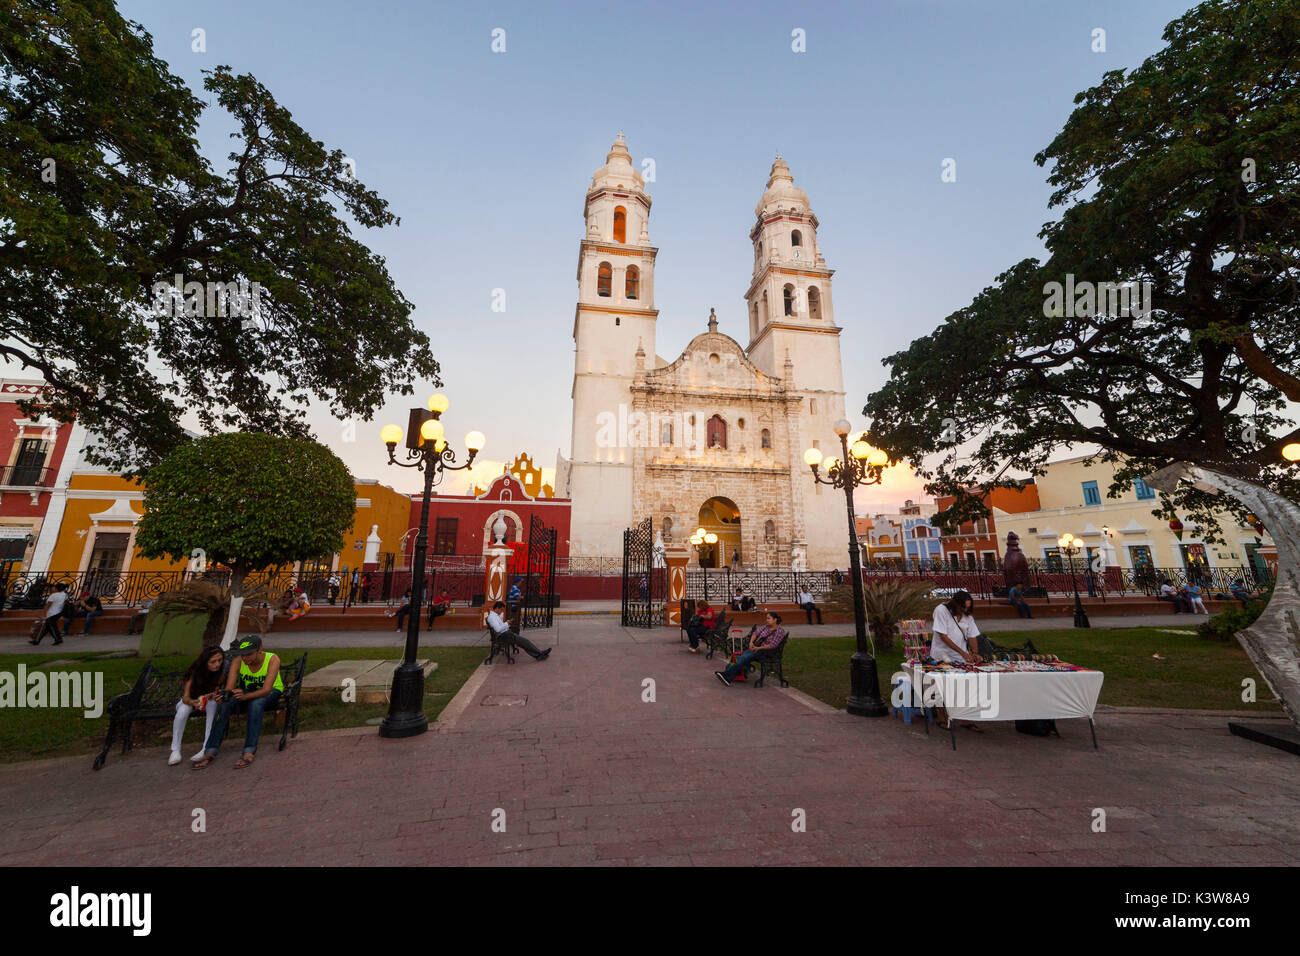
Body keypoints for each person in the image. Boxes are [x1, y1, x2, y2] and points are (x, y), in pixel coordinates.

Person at [193, 635, 283, 770]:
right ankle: (210, 750)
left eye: (249, 654)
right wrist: (223, 696)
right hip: (246, 691)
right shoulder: (238, 661)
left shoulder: (272, 659)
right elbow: (229, 689)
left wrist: (245, 697)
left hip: (271, 692)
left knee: (256, 704)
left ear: (260, 649)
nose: (245, 658)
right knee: (225, 703)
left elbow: (266, 690)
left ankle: (249, 750)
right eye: (243, 654)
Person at [929, 590, 984, 731]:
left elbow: (972, 635)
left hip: (960, 656)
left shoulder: (967, 616)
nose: (965, 610)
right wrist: (963, 652)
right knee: (941, 685)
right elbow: (943, 636)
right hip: (942, 655)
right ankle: (942, 718)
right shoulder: (941, 610)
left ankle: (965, 718)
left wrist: (975, 653)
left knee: (966, 685)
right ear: (955, 604)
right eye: (963, 607)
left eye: (967, 608)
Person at [169, 646, 226, 765]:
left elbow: (216, 690)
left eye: (220, 660)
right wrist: (193, 702)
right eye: (213, 662)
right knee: (182, 712)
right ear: (205, 662)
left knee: (212, 705)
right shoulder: (194, 672)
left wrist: (213, 695)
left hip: (205, 701)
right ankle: (175, 750)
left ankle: (206, 746)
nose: (217, 664)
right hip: (190, 701)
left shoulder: (220, 673)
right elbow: (185, 698)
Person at [714, 612, 787, 686]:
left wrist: (758, 648)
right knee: (741, 657)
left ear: (775, 620)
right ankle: (728, 676)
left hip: (767, 653)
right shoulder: (766, 627)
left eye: (769, 618)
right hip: (757, 649)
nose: (767, 620)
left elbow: (772, 645)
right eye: (766, 618)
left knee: (744, 658)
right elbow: (755, 633)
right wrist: (751, 643)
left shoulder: (779, 631)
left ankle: (726, 676)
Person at [485, 600, 551, 661]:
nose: (502, 612)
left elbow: (501, 627)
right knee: (525, 642)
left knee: (524, 642)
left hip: (506, 634)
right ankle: (540, 653)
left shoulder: (495, 616)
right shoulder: (493, 617)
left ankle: (539, 654)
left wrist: (508, 624)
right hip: (503, 636)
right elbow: (498, 629)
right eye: (501, 610)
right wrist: (506, 623)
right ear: (497, 608)